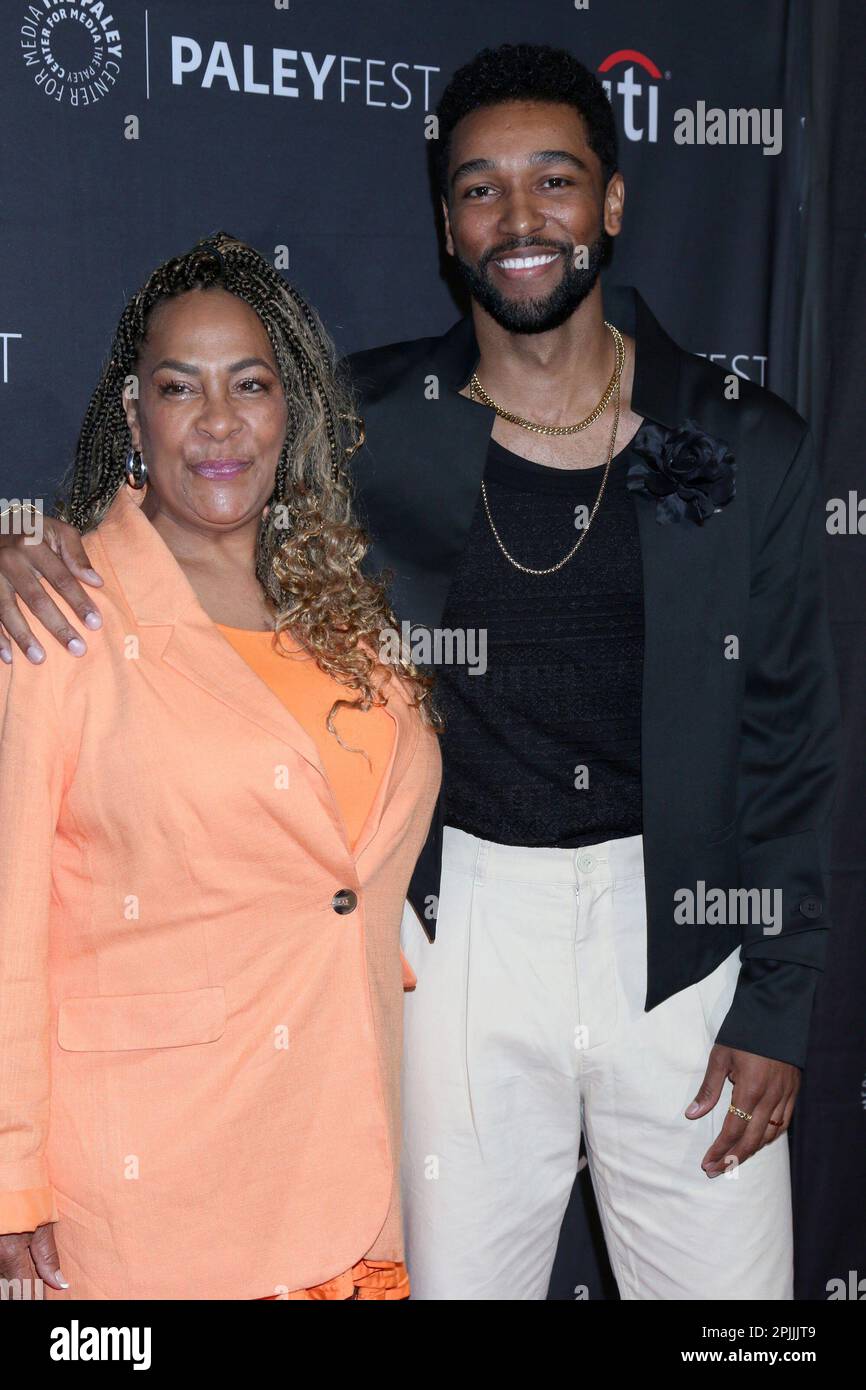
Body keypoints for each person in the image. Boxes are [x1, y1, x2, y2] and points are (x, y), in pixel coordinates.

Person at [0, 45, 841, 1301]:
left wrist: (776, 997)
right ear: (447, 225)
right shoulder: (364, 422)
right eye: (480, 189)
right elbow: (191, 491)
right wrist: (22, 543)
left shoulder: (737, 437)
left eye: (553, 181)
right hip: (452, 935)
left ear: (609, 201)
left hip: (677, 932)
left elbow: (788, 740)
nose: (520, 219)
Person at [0, 232, 442, 1300]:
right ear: (131, 414)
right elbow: (8, 918)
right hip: (158, 1197)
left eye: (248, 384)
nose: (216, 422)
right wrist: (11, 1179)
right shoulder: (61, 615)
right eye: (178, 387)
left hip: (348, 1166)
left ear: (287, 407)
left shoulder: (342, 609)